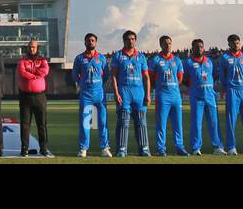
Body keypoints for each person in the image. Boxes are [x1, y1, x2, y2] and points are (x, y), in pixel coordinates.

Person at [111, 30, 150, 158]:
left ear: (135, 40)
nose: (131, 41)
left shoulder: (141, 57)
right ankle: (122, 149)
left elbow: (146, 77)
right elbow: (114, 76)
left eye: (133, 38)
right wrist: (116, 93)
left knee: (141, 122)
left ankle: (144, 149)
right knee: (123, 121)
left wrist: (148, 94)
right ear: (124, 40)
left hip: (139, 93)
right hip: (124, 92)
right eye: (128, 39)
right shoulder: (117, 56)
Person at [73, 33, 112, 158]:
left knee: (102, 122)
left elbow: (106, 75)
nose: (91, 42)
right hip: (86, 95)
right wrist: (82, 84)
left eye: (93, 40)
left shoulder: (102, 58)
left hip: (99, 94)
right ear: (85, 43)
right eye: (88, 40)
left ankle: (105, 148)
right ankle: (83, 148)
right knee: (85, 122)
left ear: (96, 42)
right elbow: (74, 75)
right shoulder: (79, 58)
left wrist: (99, 85)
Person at [149, 35, 184, 157]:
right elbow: (151, 78)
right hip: (162, 96)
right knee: (161, 124)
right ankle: (161, 148)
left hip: (176, 96)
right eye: (165, 43)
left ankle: (179, 147)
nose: (168, 45)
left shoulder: (177, 60)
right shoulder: (155, 60)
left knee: (178, 124)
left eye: (170, 43)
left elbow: (179, 79)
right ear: (160, 45)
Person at [184, 38, 221, 156]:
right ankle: (196, 148)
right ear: (192, 48)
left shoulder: (209, 62)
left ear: (203, 48)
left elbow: (214, 76)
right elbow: (184, 79)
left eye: (201, 46)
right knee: (196, 124)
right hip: (196, 97)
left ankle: (217, 147)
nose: (199, 48)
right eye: (196, 47)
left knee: (214, 123)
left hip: (210, 96)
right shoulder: (188, 63)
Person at [218, 34, 243, 155]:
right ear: (229, 44)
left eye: (238, 42)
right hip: (232, 90)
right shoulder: (224, 58)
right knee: (231, 119)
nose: (236, 45)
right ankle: (231, 146)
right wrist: (226, 87)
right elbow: (222, 76)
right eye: (233, 43)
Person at [17, 39, 52, 157]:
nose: (32, 49)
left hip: (39, 96)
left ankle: (43, 148)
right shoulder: (22, 60)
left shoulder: (42, 60)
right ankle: (24, 149)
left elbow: (45, 71)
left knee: (42, 123)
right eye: (30, 47)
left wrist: (31, 72)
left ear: (37, 48)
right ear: (27, 48)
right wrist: (35, 74)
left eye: (34, 47)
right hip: (25, 96)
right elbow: (22, 72)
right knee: (25, 124)